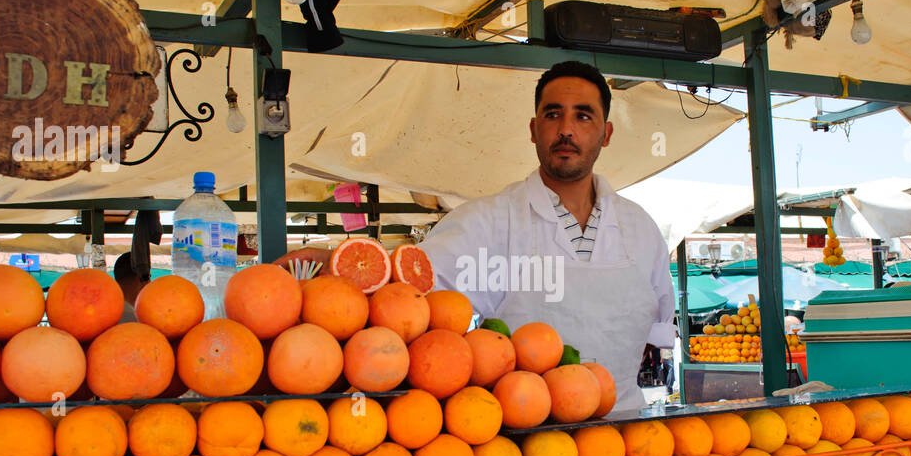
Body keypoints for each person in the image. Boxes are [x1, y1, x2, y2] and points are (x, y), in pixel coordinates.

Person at [280, 61, 674, 413]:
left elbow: (657, 326)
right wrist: (335, 261)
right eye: (553, 115)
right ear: (534, 130)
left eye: (583, 116)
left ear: (606, 134)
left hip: (628, 437)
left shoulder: (641, 230)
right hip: (526, 444)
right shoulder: (489, 220)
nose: (566, 129)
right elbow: (413, 280)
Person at [113, 253, 149, 323]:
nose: (150, 282)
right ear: (140, 278)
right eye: (148, 277)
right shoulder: (133, 318)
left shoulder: (107, 308)